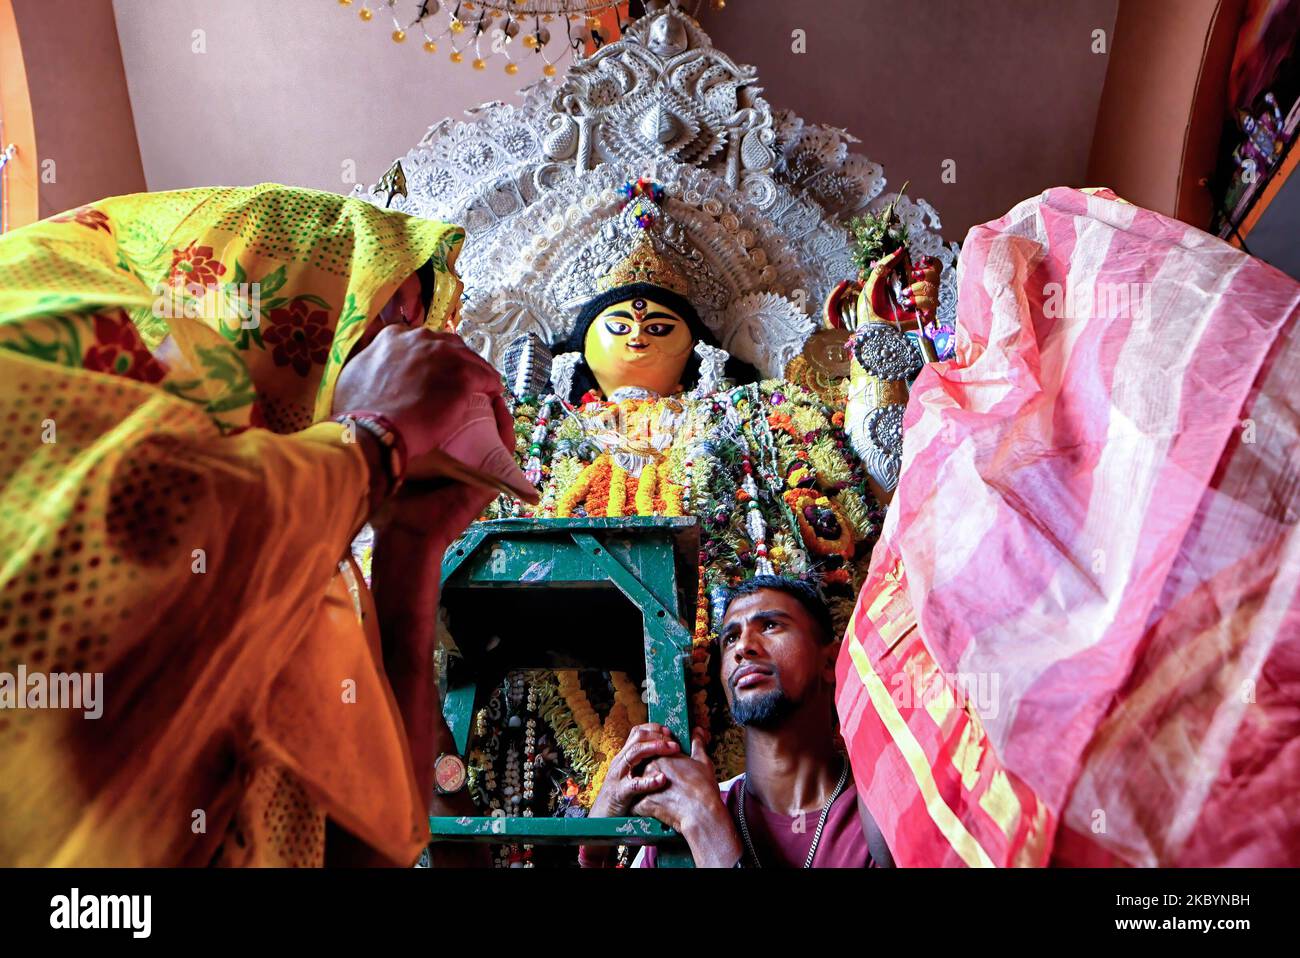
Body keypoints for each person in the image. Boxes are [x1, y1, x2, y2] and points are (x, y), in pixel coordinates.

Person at [0, 183, 531, 867]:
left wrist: (411, 547)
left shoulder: (308, 555)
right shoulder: (45, 318)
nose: (397, 354)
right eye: (377, 317)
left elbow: (375, 846)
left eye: (415, 326)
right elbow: (102, 611)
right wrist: (372, 440)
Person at [581, 575, 893, 867]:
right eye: (731, 637)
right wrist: (595, 845)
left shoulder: (882, 809)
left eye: (770, 625)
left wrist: (708, 828)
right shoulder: (685, 809)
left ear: (829, 661)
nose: (744, 647)